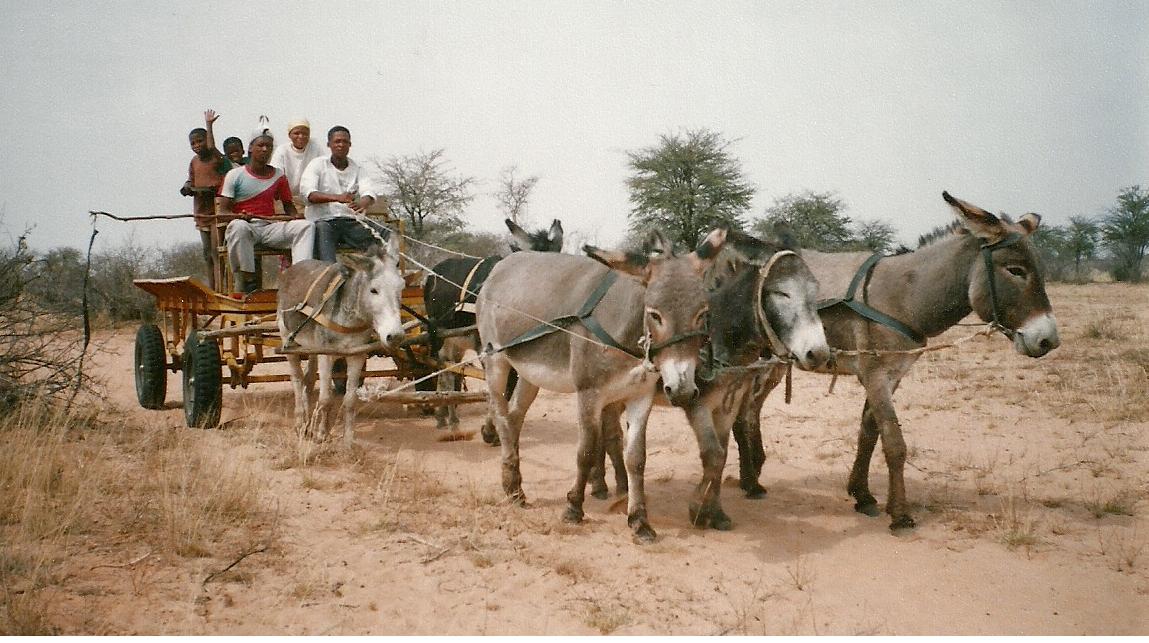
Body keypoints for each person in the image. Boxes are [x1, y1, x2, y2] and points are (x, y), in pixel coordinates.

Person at [219, 131, 314, 293]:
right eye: (260, 145)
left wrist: (294, 217)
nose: (264, 149)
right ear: (250, 149)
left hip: (269, 228)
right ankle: (246, 280)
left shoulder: (278, 175)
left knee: (306, 226)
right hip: (246, 229)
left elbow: (288, 206)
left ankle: (301, 277)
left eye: (268, 146)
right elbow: (223, 212)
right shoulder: (234, 175)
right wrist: (239, 216)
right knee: (238, 227)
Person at [299, 125, 391, 262]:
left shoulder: (357, 168)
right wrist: (338, 198)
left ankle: (387, 275)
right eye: (337, 142)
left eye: (345, 142)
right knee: (322, 230)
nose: (341, 145)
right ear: (329, 144)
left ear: (350, 144)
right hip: (324, 221)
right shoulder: (317, 164)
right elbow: (309, 194)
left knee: (388, 232)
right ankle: (330, 275)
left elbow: (369, 191)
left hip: (349, 222)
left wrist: (363, 202)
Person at [180, 109, 233, 288]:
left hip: (217, 211)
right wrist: (187, 187)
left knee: (218, 251)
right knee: (207, 254)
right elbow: (191, 179)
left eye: (200, 141)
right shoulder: (194, 162)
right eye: (193, 143)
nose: (197, 145)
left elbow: (211, 148)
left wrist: (209, 126)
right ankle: (212, 289)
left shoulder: (215, 158)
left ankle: (222, 289)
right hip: (201, 212)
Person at [270, 118, 325, 211]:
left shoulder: (315, 148)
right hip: (286, 200)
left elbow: (323, 171)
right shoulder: (282, 150)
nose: (301, 136)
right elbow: (276, 176)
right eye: (296, 133)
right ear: (289, 135)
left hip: (310, 199)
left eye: (305, 134)